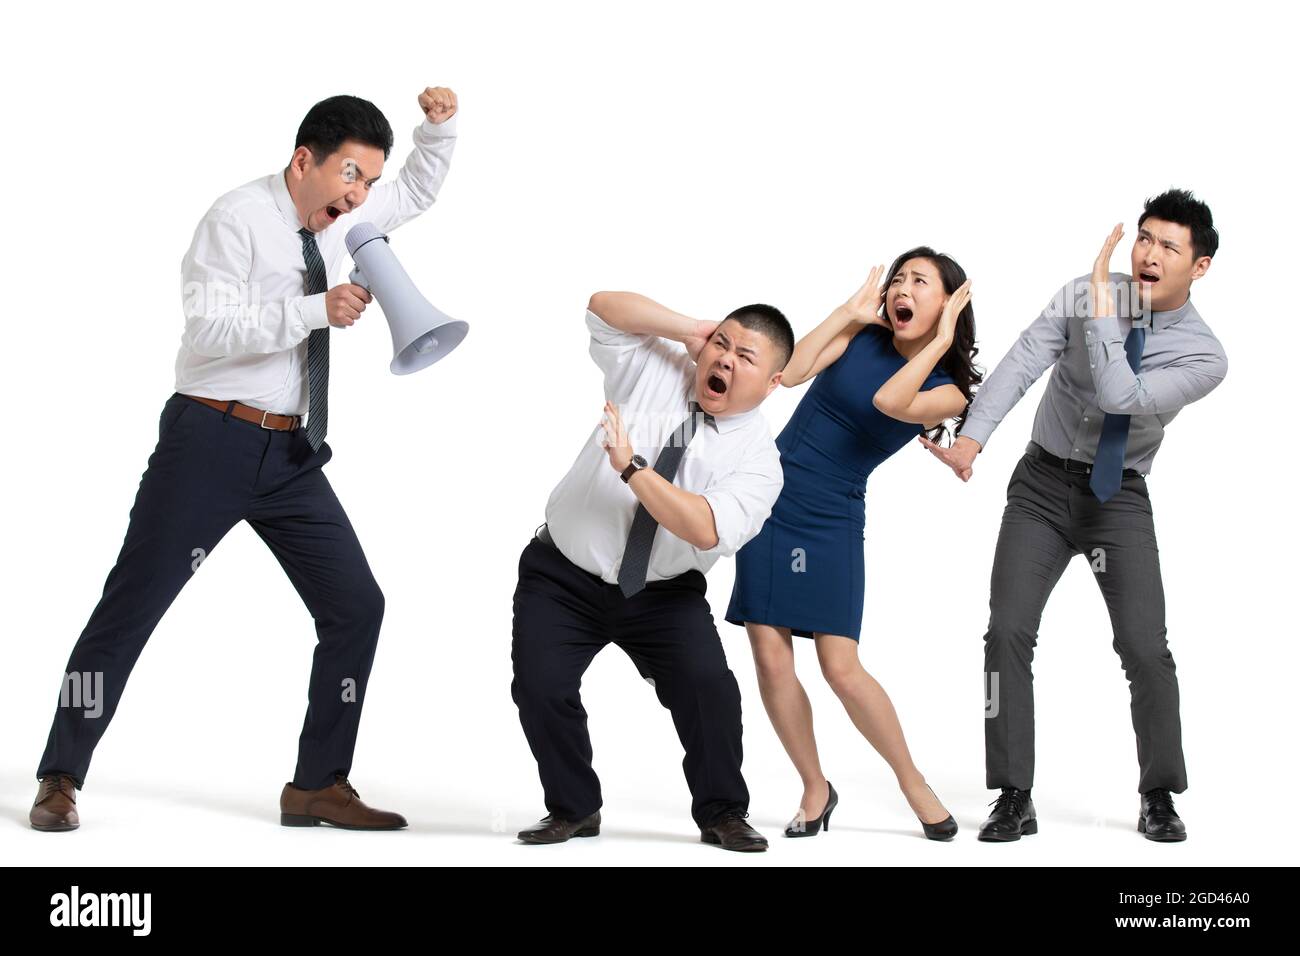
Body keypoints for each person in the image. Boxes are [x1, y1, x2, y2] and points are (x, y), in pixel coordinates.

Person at [29, 88, 460, 832]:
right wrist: (314, 311)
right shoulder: (235, 219)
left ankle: (318, 784)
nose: (361, 195)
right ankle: (60, 774)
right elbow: (209, 328)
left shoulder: (345, 215)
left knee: (357, 606)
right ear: (305, 161)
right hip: (210, 441)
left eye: (369, 182)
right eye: (351, 175)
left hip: (290, 452)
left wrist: (439, 130)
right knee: (130, 610)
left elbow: (417, 190)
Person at [922, 189, 1228, 843]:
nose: (1148, 254)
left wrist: (1099, 309)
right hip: (1040, 486)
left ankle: (1158, 795)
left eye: (1168, 246)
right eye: (1143, 237)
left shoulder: (1205, 356)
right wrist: (971, 440)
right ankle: (1012, 794)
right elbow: (1023, 362)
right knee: (1005, 632)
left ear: (1198, 266)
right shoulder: (1078, 293)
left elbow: (1123, 395)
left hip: (1116, 500)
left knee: (1145, 648)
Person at [511, 291, 793, 851]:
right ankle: (574, 807)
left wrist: (632, 468)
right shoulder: (659, 366)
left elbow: (704, 528)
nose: (726, 361)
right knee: (540, 686)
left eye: (746, 357)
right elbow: (602, 306)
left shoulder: (760, 461)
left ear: (773, 382)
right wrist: (692, 329)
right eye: (722, 346)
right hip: (562, 574)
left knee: (709, 689)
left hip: (663, 595)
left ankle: (722, 812)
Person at [725, 249, 977, 840]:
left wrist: (939, 343)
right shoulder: (864, 333)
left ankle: (911, 780)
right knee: (769, 653)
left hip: (832, 516)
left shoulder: (950, 392)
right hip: (769, 496)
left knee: (840, 665)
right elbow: (792, 370)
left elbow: (892, 403)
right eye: (898, 279)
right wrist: (848, 311)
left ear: (948, 303)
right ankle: (815, 786)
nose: (900, 289)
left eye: (919, 281)